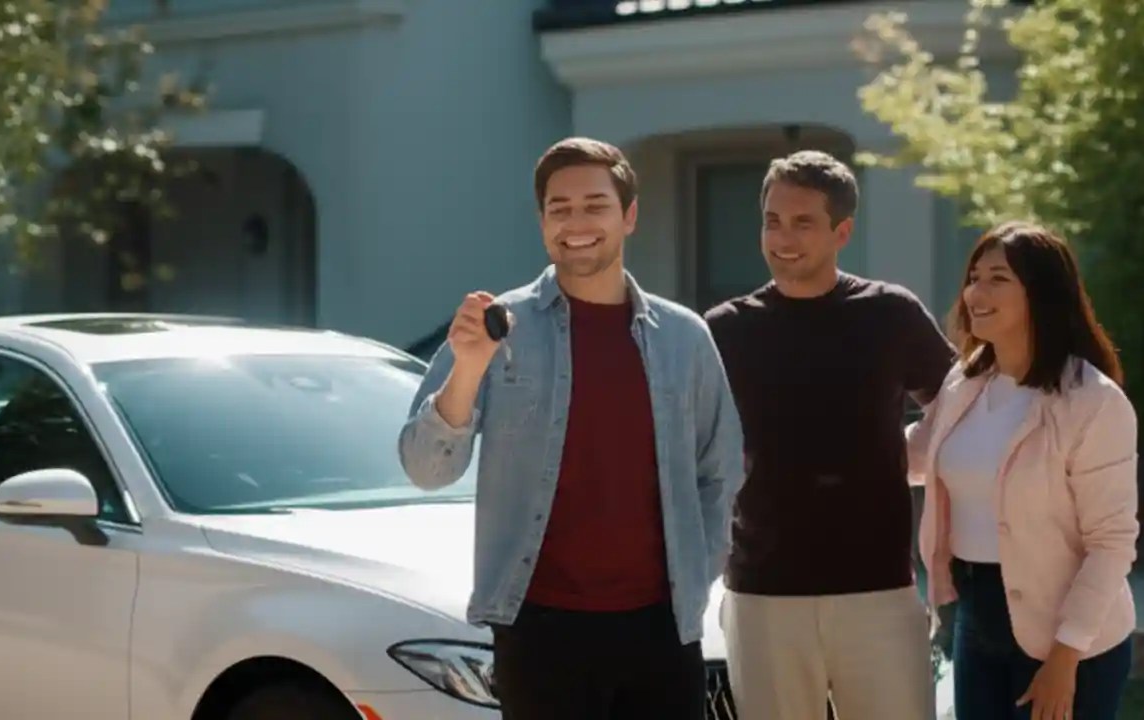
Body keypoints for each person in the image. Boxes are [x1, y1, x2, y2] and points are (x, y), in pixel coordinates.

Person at [398, 136, 745, 720]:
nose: (576, 223)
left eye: (595, 205)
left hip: (662, 631)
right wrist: (468, 367)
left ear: (629, 216)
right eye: (560, 208)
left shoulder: (685, 338)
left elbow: (723, 469)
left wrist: (697, 575)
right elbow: (426, 469)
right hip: (540, 632)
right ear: (541, 222)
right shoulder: (496, 329)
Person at [704, 150, 955, 720]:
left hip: (879, 592)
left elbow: (961, 405)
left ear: (842, 230)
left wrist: (912, 456)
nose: (783, 237)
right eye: (773, 220)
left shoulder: (889, 314)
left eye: (803, 222)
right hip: (762, 594)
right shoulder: (725, 330)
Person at [908, 221, 1139, 720]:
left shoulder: (1094, 402)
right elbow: (916, 457)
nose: (975, 292)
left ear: (1040, 293)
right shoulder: (964, 382)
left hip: (1073, 639)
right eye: (973, 276)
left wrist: (1065, 657)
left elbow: (1111, 542)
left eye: (997, 278)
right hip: (977, 615)